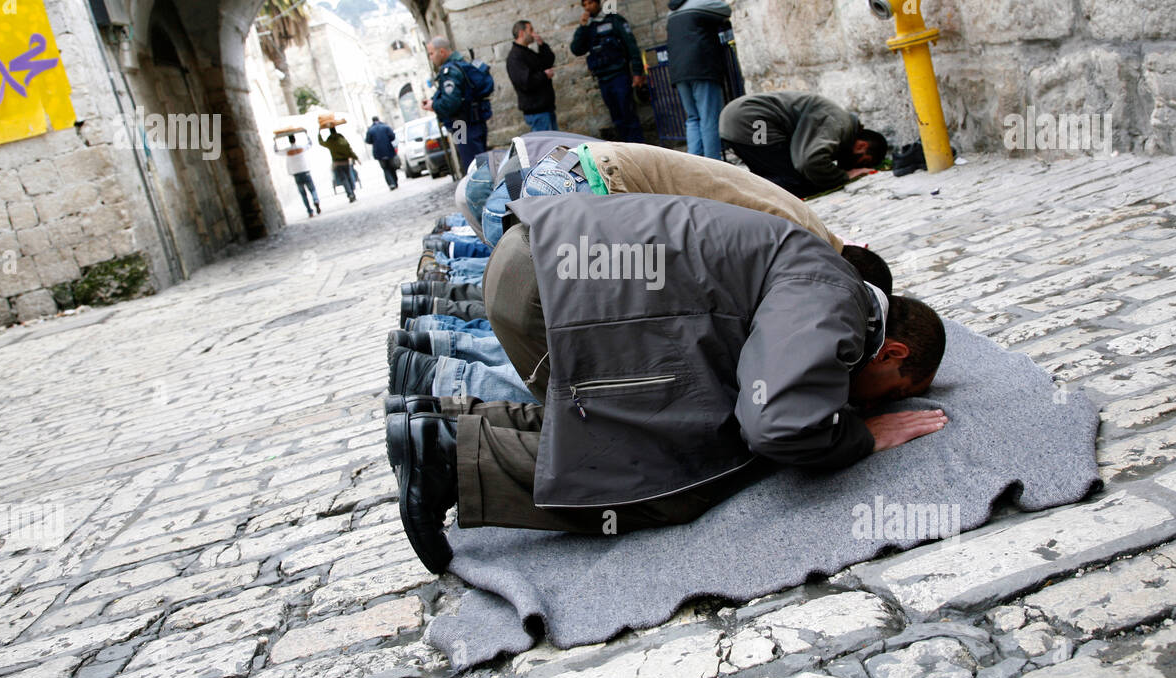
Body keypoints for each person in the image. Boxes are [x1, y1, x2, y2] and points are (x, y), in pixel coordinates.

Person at [387, 192, 947, 572]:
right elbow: (777, 424)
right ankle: (449, 462)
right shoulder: (833, 297)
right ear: (891, 351)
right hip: (555, 291)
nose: (889, 401)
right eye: (896, 389)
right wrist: (861, 436)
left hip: (533, 258)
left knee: (601, 426)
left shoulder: (816, 271)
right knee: (670, 475)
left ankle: (443, 430)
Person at [719, 91, 888, 199]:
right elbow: (809, 162)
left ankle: (737, 194)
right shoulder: (839, 124)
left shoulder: (838, 121)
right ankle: (733, 194)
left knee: (775, 175)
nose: (859, 166)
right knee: (796, 182)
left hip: (742, 120)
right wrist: (846, 176)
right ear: (861, 146)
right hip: (753, 121)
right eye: (864, 162)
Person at [665, 0, 732, 160]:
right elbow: (726, 10)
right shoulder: (704, 0)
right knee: (709, 117)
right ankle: (713, 165)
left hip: (679, 71)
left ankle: (693, 163)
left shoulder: (672, 10)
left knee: (693, 118)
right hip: (702, 66)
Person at [570, 0, 645, 142]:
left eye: (590, 3)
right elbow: (576, 49)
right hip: (604, 79)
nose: (588, 8)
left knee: (628, 114)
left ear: (597, 3)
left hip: (620, 76)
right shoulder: (588, 27)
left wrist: (637, 72)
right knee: (617, 118)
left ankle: (638, 148)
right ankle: (626, 152)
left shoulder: (614, 20)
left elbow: (631, 46)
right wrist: (582, 27)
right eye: (585, 5)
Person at [422, 36, 489, 174]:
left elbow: (450, 102)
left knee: (473, 167)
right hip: (472, 120)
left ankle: (480, 195)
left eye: (431, 53)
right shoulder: (462, 63)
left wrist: (433, 106)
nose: (430, 58)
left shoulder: (450, 71)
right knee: (479, 162)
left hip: (461, 124)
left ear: (442, 52)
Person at [506, 21, 557, 132]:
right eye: (531, 30)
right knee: (546, 147)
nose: (533, 33)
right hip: (537, 112)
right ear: (521, 33)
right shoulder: (515, 56)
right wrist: (544, 76)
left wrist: (542, 45)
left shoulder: (527, 52)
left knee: (554, 145)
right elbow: (525, 82)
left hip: (545, 109)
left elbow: (547, 62)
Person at [281, 132, 321, 217]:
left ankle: (309, 211)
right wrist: (307, 135)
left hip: (296, 174)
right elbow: (310, 144)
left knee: (303, 194)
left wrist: (274, 142)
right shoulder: (302, 147)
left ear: (289, 141)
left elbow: (277, 151)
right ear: (295, 139)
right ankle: (316, 200)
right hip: (305, 171)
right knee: (312, 189)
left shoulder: (287, 151)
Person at [320, 126, 359, 203]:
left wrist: (319, 133)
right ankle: (352, 192)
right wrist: (355, 157)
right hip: (346, 162)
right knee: (349, 177)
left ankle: (350, 194)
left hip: (337, 163)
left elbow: (321, 142)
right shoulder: (342, 139)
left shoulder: (330, 141)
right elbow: (349, 150)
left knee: (344, 179)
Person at [365, 115, 400, 190]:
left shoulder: (370, 130)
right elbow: (393, 136)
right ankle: (395, 182)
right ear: (378, 119)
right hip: (389, 150)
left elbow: (368, 141)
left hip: (379, 153)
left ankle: (391, 184)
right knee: (392, 167)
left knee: (385, 168)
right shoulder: (386, 127)